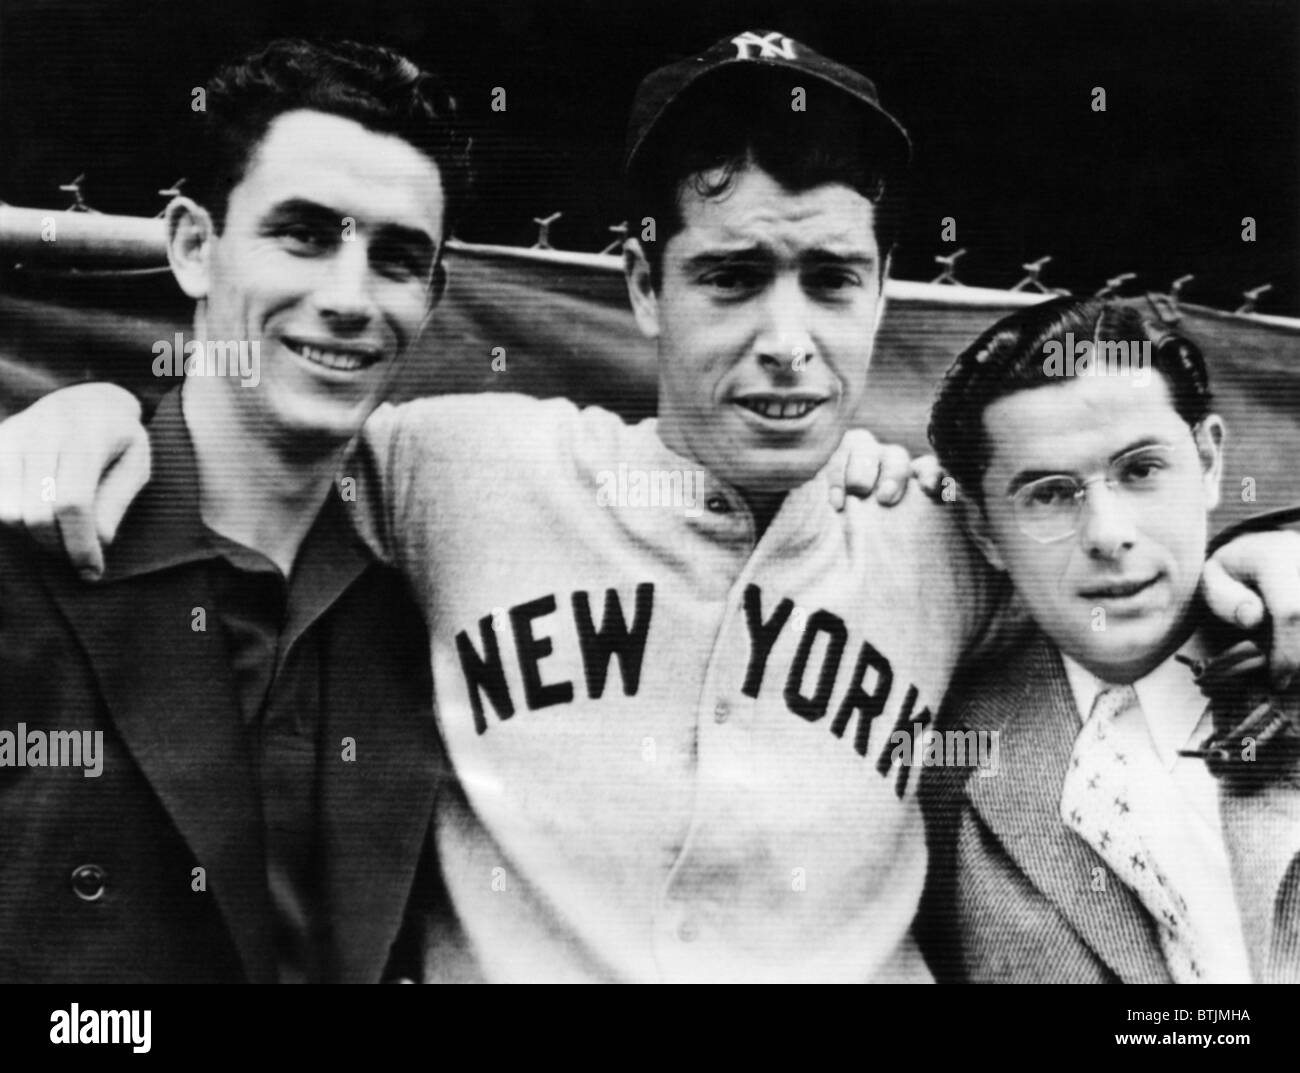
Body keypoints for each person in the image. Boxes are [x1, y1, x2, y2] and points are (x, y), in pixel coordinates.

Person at [4, 32, 1299, 983]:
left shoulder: (942, 532)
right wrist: (98, 410)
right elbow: (261, 438)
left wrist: (1273, 550)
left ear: (883, 287)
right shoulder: (456, 467)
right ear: (639, 283)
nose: (787, 340)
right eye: (731, 277)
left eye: (831, 279)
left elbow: (1136, 548)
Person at [0, 38, 472, 983]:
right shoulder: (22, 546)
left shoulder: (431, 604)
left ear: (433, 296)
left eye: (395, 257)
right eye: (302, 233)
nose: (347, 298)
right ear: (192, 246)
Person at [919, 296, 1300, 983]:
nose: (1106, 532)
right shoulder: (946, 768)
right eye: (1048, 493)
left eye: (1141, 470)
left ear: (1210, 461)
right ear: (982, 530)